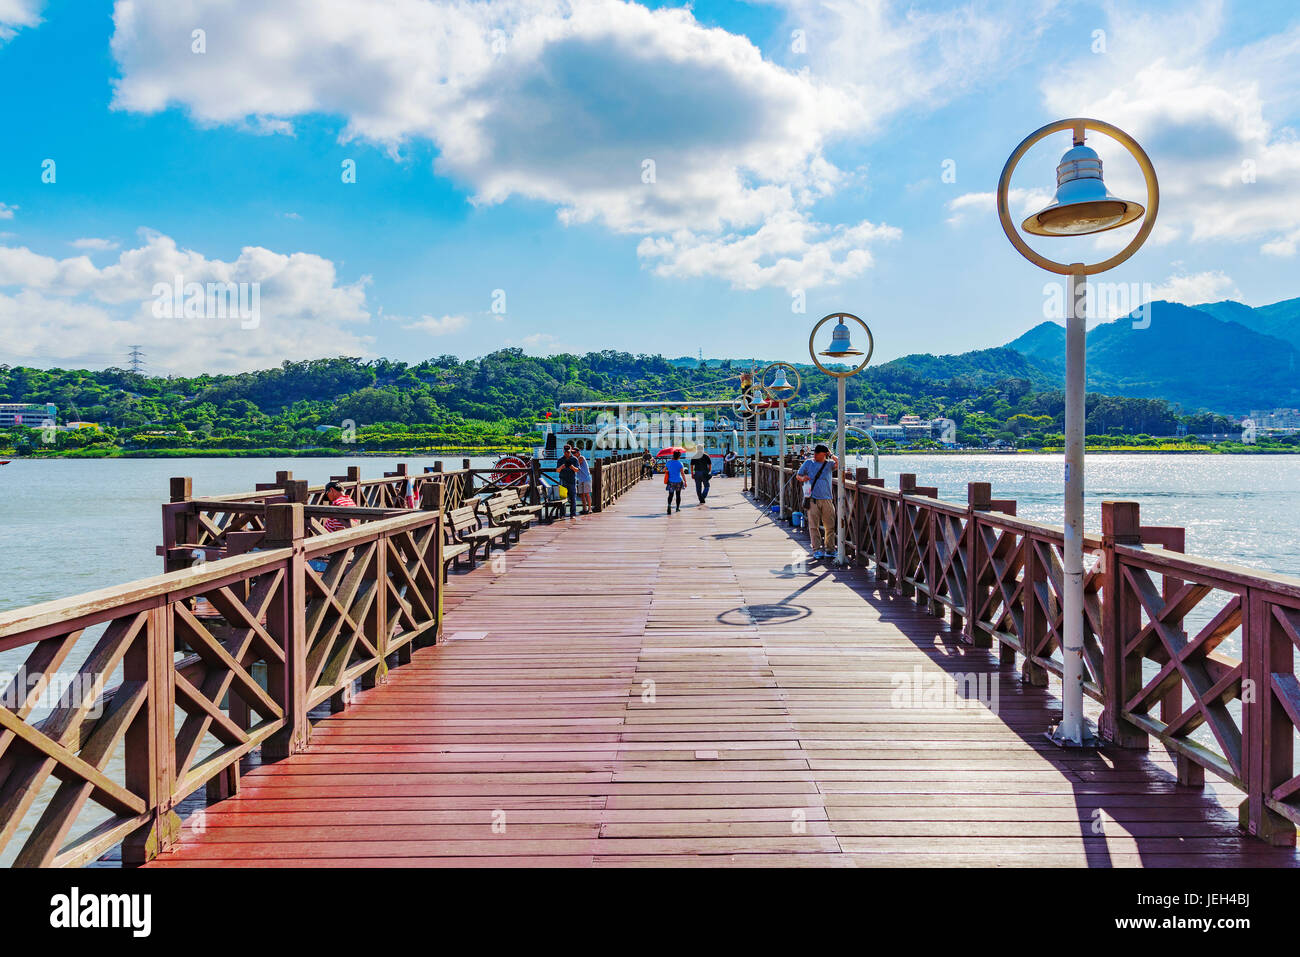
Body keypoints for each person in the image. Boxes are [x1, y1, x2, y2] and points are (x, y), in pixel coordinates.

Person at [796, 444, 838, 559]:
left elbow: (840, 463)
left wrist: (831, 454)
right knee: (813, 526)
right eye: (814, 453)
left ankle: (830, 549)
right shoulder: (809, 462)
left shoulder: (829, 464)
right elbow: (798, 475)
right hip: (812, 499)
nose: (814, 455)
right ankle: (817, 549)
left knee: (830, 525)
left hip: (827, 499)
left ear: (824, 454)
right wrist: (803, 478)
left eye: (817, 454)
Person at [556, 444, 580, 518]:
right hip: (563, 481)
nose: (567, 453)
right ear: (563, 451)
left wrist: (571, 466)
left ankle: (572, 514)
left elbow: (577, 470)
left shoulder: (574, 459)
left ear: (570, 451)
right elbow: (557, 470)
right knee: (562, 498)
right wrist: (562, 467)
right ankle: (562, 514)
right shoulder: (560, 460)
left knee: (573, 498)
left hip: (572, 481)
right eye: (566, 452)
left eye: (568, 452)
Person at [575, 448, 593, 514]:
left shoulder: (581, 457)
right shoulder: (575, 459)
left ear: (578, 452)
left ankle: (590, 509)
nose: (574, 454)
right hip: (580, 479)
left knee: (587, 494)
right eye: (573, 453)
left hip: (586, 478)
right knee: (582, 495)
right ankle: (584, 509)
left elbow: (576, 464)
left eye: (575, 452)